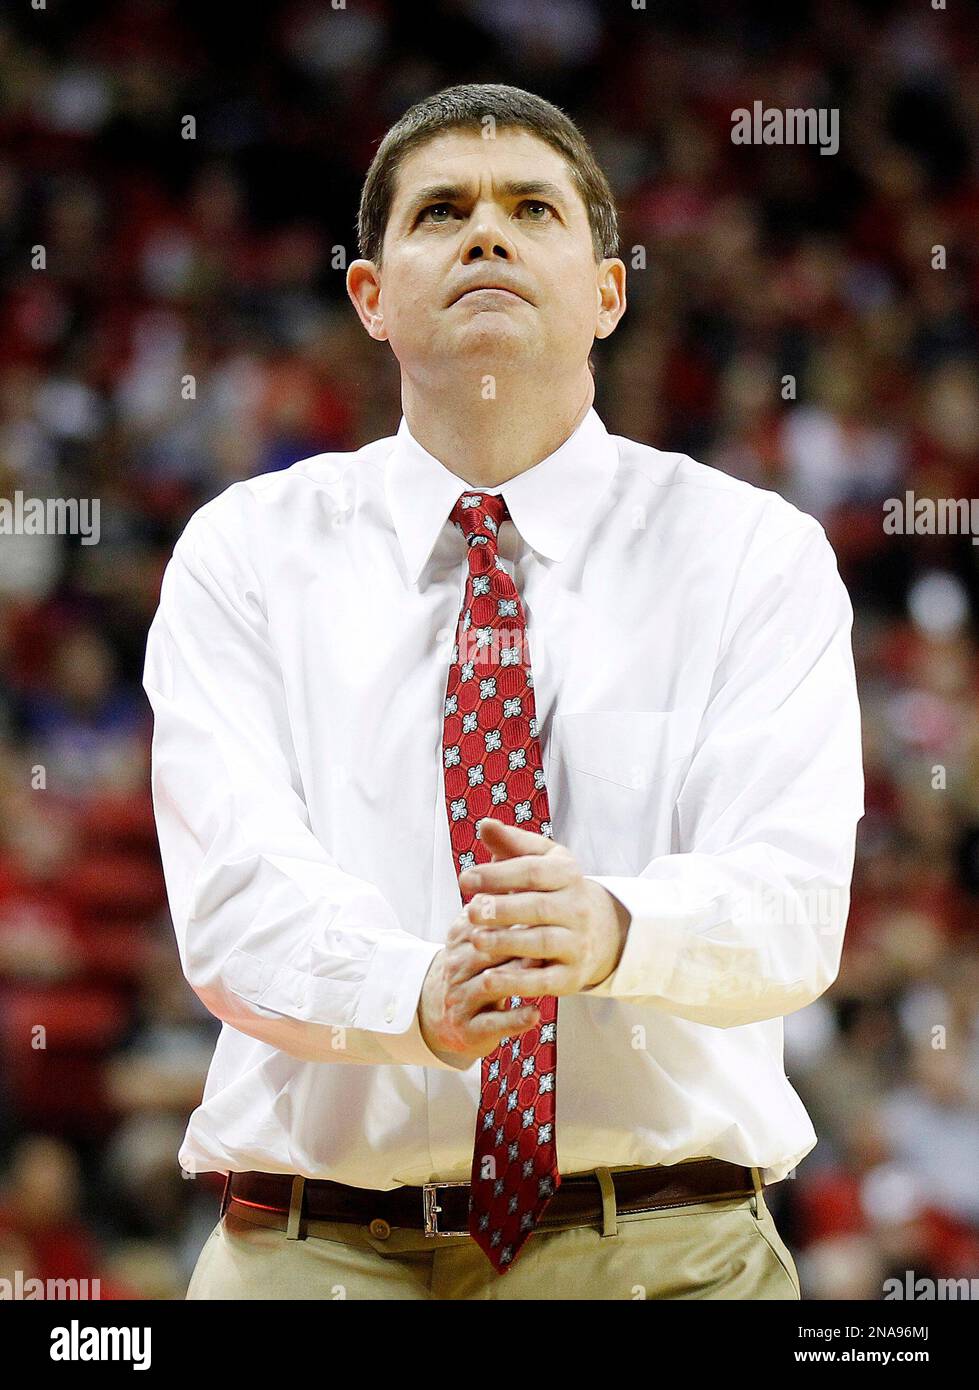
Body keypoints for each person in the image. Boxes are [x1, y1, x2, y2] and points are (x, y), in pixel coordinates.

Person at [142, 83, 864, 1300]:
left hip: (660, 1245)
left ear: (607, 291)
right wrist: (411, 995)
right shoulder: (245, 551)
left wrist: (617, 927)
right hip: (312, 1245)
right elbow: (232, 896)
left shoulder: (754, 552)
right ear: (370, 297)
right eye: (441, 212)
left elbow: (795, 901)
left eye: (530, 207)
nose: (485, 233)